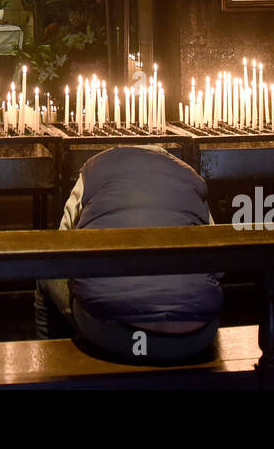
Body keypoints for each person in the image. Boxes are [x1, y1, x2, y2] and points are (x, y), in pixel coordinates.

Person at [35, 145, 223, 363]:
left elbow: (61, 251)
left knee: (46, 276)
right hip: (194, 336)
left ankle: (50, 364)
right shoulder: (190, 178)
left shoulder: (93, 172)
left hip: (119, 335)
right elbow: (216, 260)